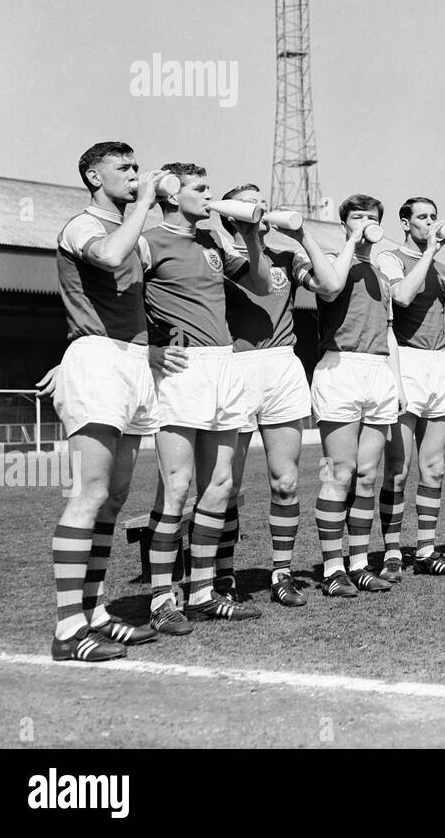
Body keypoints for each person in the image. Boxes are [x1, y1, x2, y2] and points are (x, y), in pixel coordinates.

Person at [140, 162, 270, 634]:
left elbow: (260, 284)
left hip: (224, 366)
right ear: (172, 195)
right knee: (175, 488)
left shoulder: (214, 241)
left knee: (219, 486)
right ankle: (160, 600)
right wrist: (145, 349)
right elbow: (114, 297)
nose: (209, 195)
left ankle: (200, 593)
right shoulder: (148, 241)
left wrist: (252, 235)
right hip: (182, 369)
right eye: (200, 188)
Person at [47, 143, 164, 661]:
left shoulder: (135, 236)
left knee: (114, 498)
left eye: (138, 168)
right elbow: (109, 256)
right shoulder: (82, 225)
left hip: (133, 363)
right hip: (98, 361)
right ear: (94, 176)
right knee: (89, 494)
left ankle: (93, 613)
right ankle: (67, 629)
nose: (136, 176)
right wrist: (146, 204)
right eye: (125, 169)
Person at [217, 185, 344, 606]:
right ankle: (221, 576)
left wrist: (302, 233)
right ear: (232, 212)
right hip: (234, 368)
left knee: (286, 482)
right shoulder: (217, 256)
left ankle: (281, 572)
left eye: (263, 201)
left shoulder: (287, 259)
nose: (261, 208)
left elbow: (329, 287)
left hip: (283, 367)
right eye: (251, 201)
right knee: (225, 485)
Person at [310, 194, 405, 597]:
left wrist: (396, 383)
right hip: (340, 367)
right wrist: (352, 239)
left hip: (377, 370)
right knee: (338, 472)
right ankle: (333, 568)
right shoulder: (333, 259)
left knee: (368, 477)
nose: (366, 221)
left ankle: (361, 564)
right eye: (357, 216)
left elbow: (388, 332)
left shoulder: (383, 273)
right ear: (343, 223)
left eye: (371, 217)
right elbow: (329, 291)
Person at [375, 196, 445, 578]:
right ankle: (393, 551)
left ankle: (426, 549)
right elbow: (402, 296)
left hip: (438, 362)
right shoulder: (389, 258)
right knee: (399, 466)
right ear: (405, 223)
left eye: (434, 217)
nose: (430, 223)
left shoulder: (442, 267)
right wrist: (429, 253)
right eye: (422, 218)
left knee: (435, 466)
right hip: (404, 360)